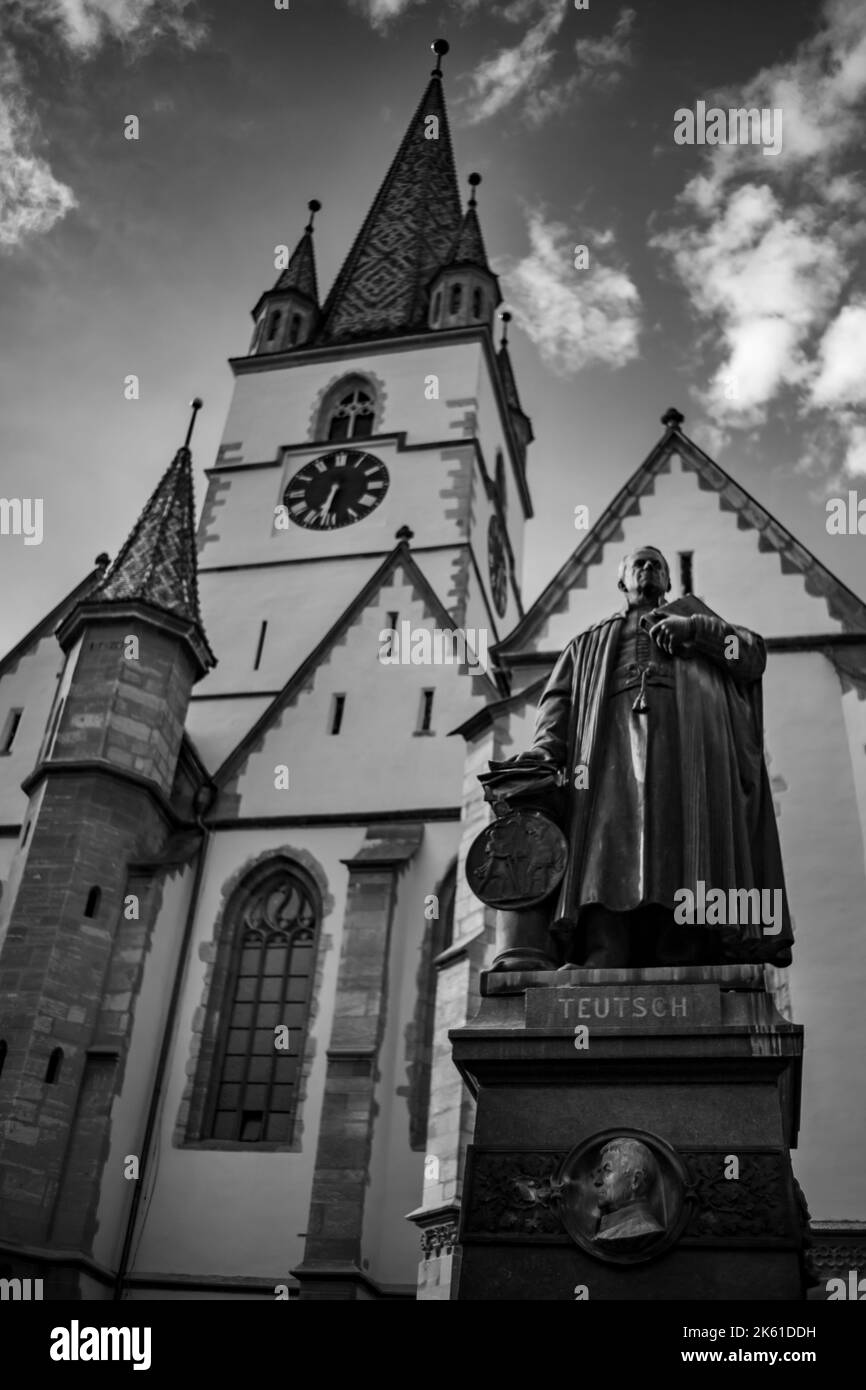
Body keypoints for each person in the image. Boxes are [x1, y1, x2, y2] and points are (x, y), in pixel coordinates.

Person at [481, 546, 794, 970]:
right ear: (622, 582)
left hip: (686, 753)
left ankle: (679, 952)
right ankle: (604, 951)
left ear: (668, 581)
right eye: (639, 564)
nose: (648, 569)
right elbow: (559, 700)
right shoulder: (589, 642)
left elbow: (751, 659)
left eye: (657, 565)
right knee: (606, 846)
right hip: (607, 754)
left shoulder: (699, 623)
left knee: (683, 846)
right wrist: (546, 748)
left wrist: (696, 630)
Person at [592, 1138, 664, 1244]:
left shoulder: (645, 1230)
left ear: (635, 1180)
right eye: (599, 1172)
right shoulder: (609, 1226)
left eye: (607, 1171)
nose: (597, 1181)